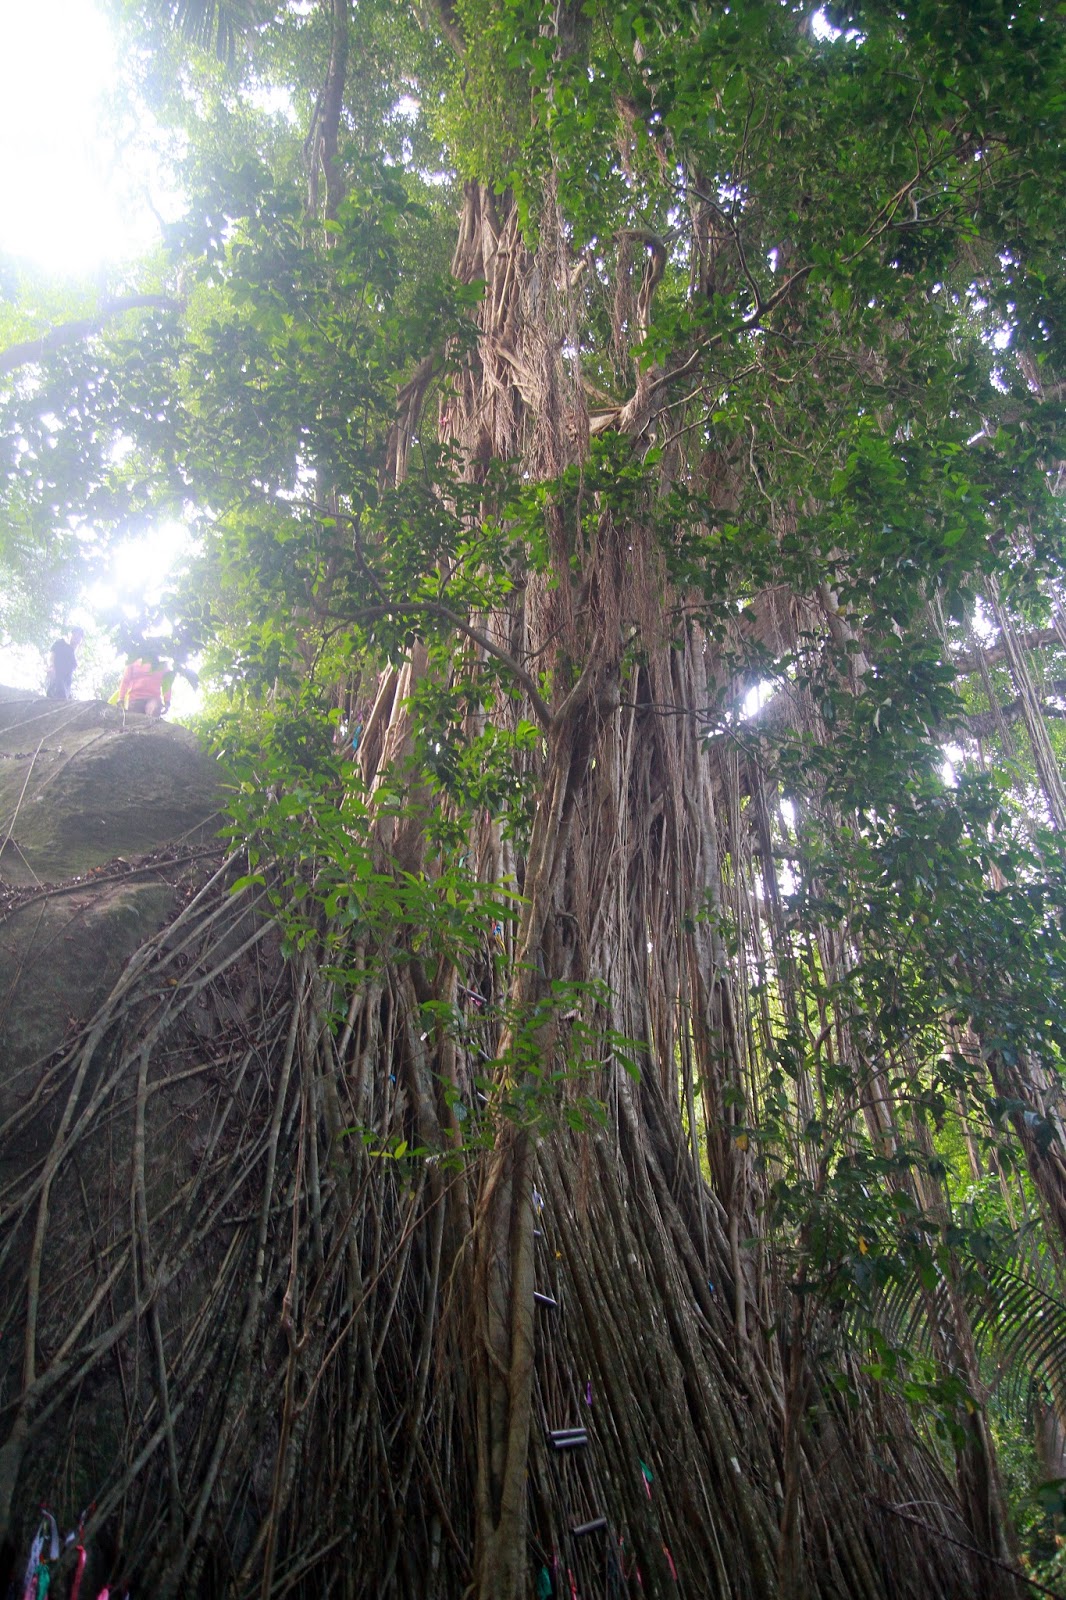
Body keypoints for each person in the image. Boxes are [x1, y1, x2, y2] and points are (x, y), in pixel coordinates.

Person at [45, 627, 84, 700]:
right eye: (75, 634)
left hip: (65, 687)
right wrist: (51, 666)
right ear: (70, 635)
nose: (76, 637)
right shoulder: (61, 643)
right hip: (56, 679)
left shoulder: (73, 656)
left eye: (79, 636)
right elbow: (52, 655)